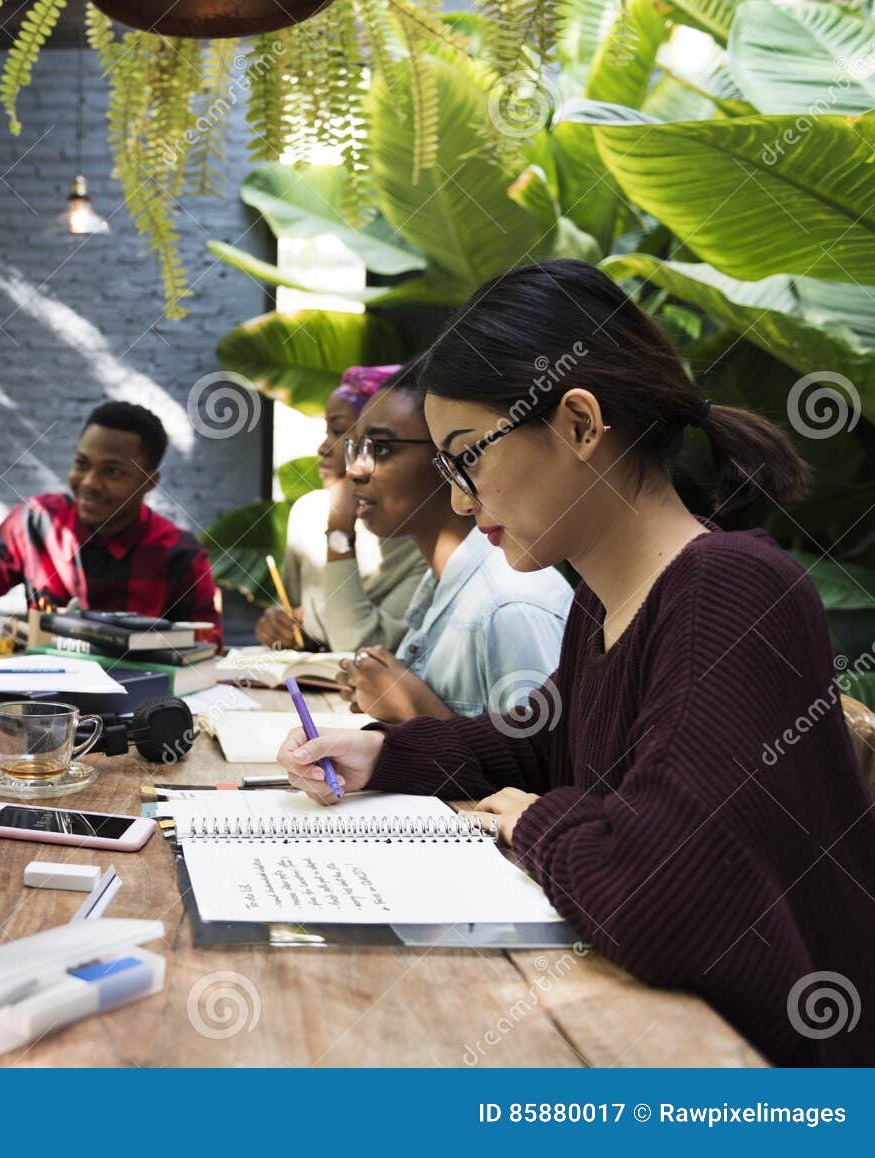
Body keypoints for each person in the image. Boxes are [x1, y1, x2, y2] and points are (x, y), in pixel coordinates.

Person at [279, 258, 875, 1066]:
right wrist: (386, 753)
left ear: (581, 425)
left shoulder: (731, 590)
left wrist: (533, 817)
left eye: (467, 459)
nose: (459, 499)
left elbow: (667, 892)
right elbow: (540, 742)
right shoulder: (605, 597)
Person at [335, 367, 572, 721]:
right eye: (356, 449)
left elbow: (548, 772)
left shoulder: (510, 607)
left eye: (381, 448)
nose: (356, 470)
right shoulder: (443, 580)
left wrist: (415, 714)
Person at [0, 400, 222, 645]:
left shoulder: (182, 556)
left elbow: (205, 650)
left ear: (149, 482)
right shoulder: (34, 521)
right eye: (82, 464)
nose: (89, 483)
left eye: (112, 471)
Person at [256, 364, 427, 653]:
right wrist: (281, 625)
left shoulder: (422, 536)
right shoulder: (308, 513)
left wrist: (339, 533)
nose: (323, 448)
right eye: (328, 431)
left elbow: (359, 646)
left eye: (338, 431)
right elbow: (297, 615)